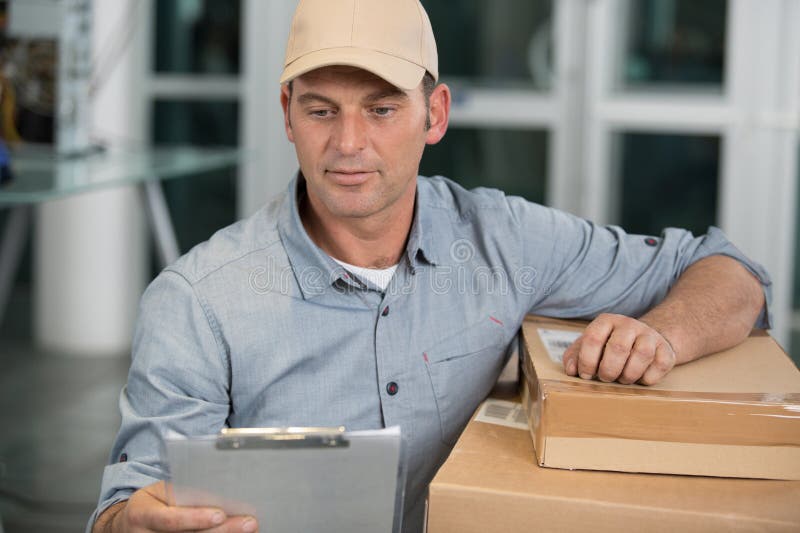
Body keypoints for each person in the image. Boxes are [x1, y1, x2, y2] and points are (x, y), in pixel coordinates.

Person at [89, 1, 770, 532]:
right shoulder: (196, 301)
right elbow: (126, 505)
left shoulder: (504, 239)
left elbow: (726, 267)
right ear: (288, 115)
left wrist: (665, 336)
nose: (349, 144)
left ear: (434, 114)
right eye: (321, 110)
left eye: (382, 110)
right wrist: (138, 521)